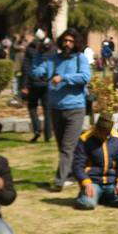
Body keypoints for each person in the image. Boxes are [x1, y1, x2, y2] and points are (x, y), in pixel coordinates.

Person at [32, 29, 92, 192]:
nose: (67, 44)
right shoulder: (52, 60)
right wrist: (38, 54)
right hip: (56, 108)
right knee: (62, 147)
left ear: (76, 43)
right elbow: (36, 73)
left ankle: (59, 181)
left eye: (71, 41)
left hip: (75, 109)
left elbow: (86, 77)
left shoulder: (80, 59)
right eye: (65, 40)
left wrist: (65, 77)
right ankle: (73, 173)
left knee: (67, 147)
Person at [73, 114, 118, 208]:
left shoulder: (117, 140)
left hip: (112, 183)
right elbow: (77, 166)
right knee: (88, 204)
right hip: (93, 182)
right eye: (103, 132)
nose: (106, 136)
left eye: (108, 133)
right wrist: (86, 183)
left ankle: (102, 198)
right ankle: (89, 197)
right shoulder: (84, 140)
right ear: (97, 129)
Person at [21, 32, 52, 142]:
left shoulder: (30, 50)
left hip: (34, 83)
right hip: (46, 83)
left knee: (32, 106)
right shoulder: (50, 50)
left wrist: (24, 85)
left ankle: (37, 129)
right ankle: (48, 135)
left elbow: (25, 68)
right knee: (47, 109)